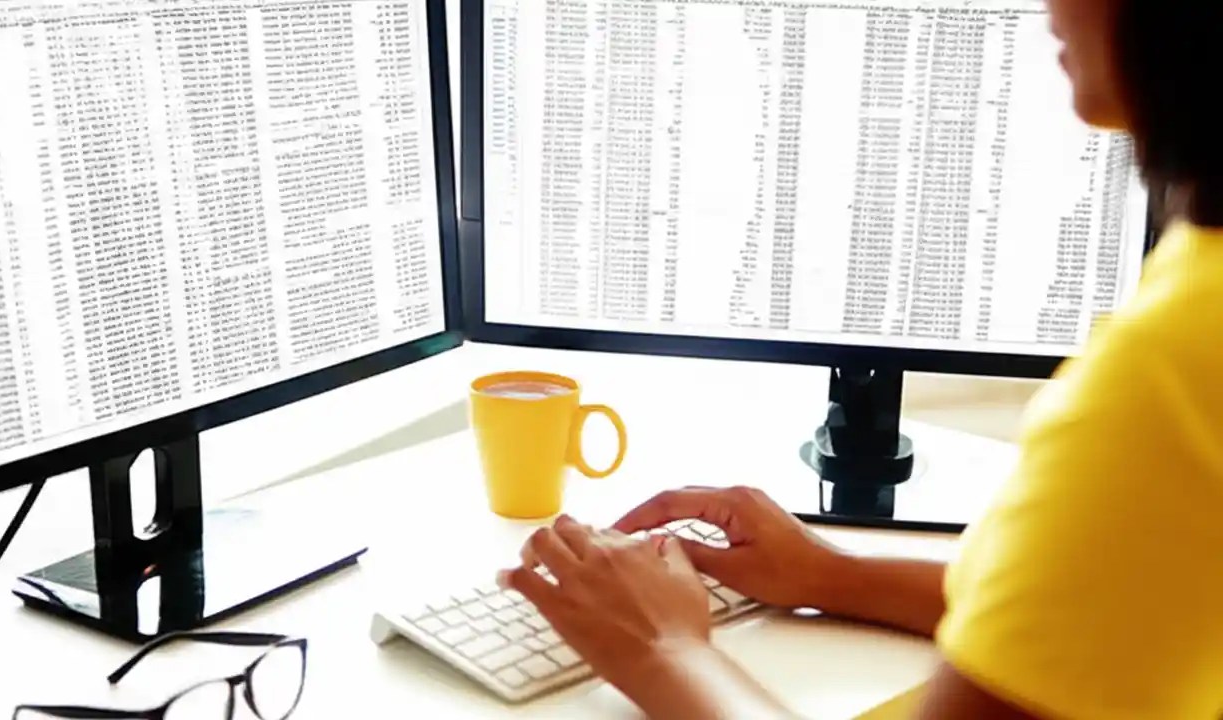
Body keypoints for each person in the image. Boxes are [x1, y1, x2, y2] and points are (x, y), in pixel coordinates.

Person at [495, 1, 1223, 718]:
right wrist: (827, 575)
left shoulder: (1174, 359)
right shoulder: (1198, 275)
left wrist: (664, 648)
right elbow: (1104, 603)